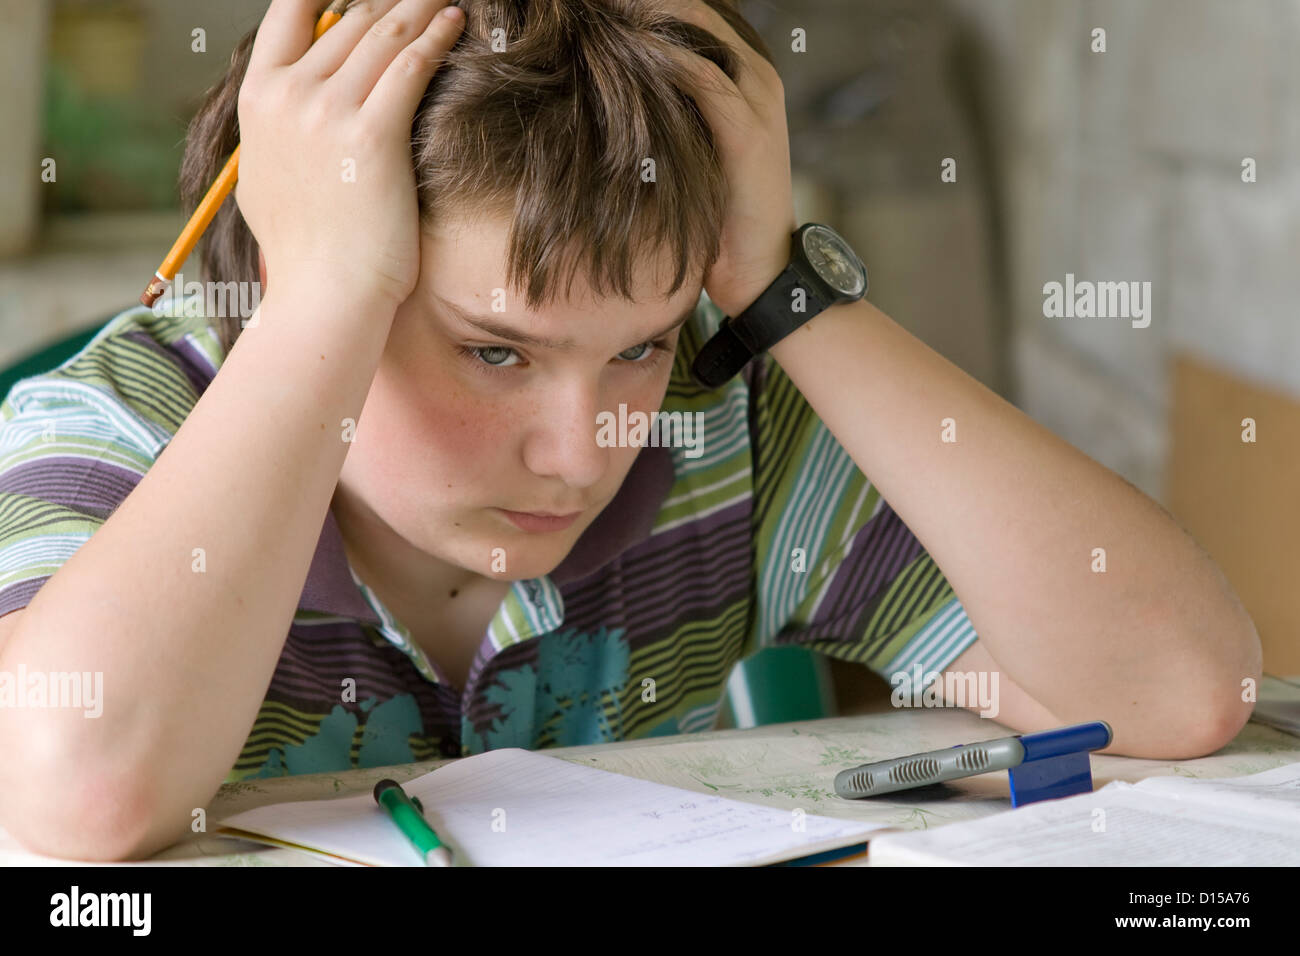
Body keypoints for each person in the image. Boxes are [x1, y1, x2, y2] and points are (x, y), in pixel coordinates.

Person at [0, 0, 1260, 862]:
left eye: (638, 344)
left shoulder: (724, 433)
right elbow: (79, 779)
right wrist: (322, 294)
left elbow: (1179, 686)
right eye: (495, 350)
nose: (583, 449)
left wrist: (782, 292)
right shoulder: (114, 425)